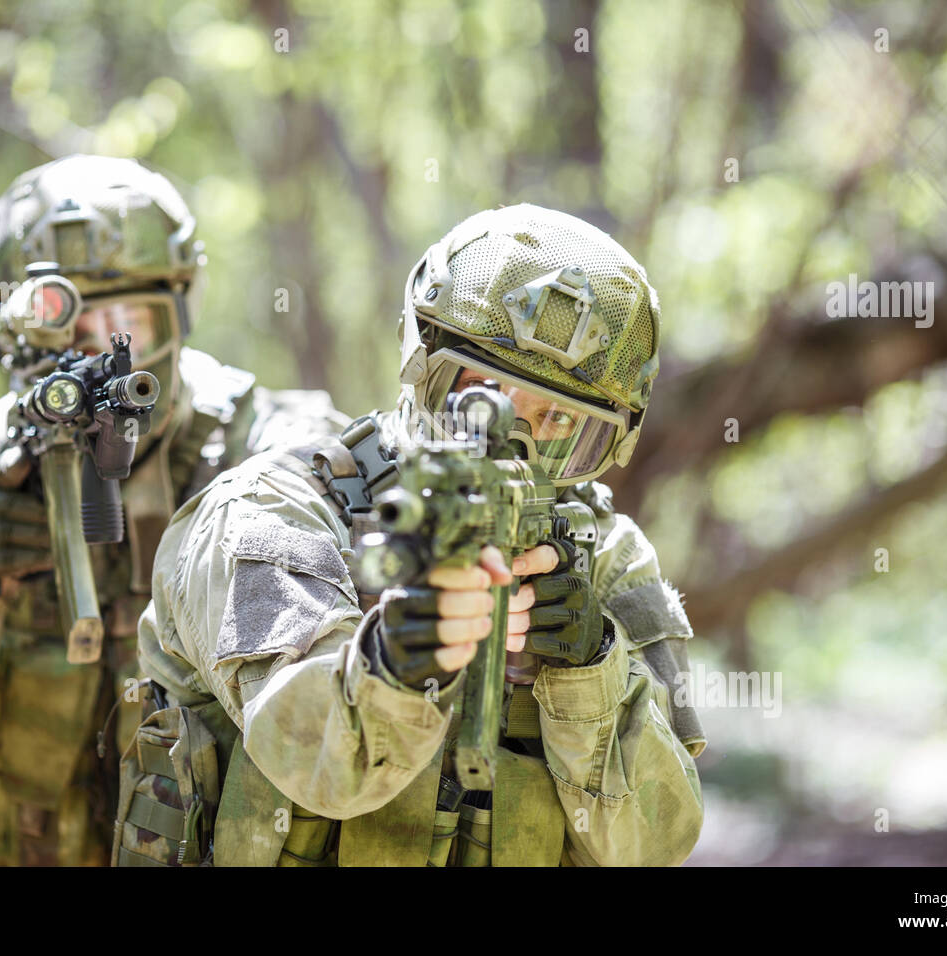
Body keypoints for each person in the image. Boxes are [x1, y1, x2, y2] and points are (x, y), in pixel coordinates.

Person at [117, 203, 706, 867]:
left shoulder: (605, 557)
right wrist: (396, 664)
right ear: (422, 364)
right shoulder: (270, 511)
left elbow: (656, 844)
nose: (518, 444)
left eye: (564, 425)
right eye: (482, 398)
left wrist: (588, 667)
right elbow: (319, 766)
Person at [0, 155, 348, 866]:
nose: (96, 359)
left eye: (127, 323)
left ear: (182, 309)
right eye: (60, 327)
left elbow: (358, 712)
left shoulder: (268, 447)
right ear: (8, 334)